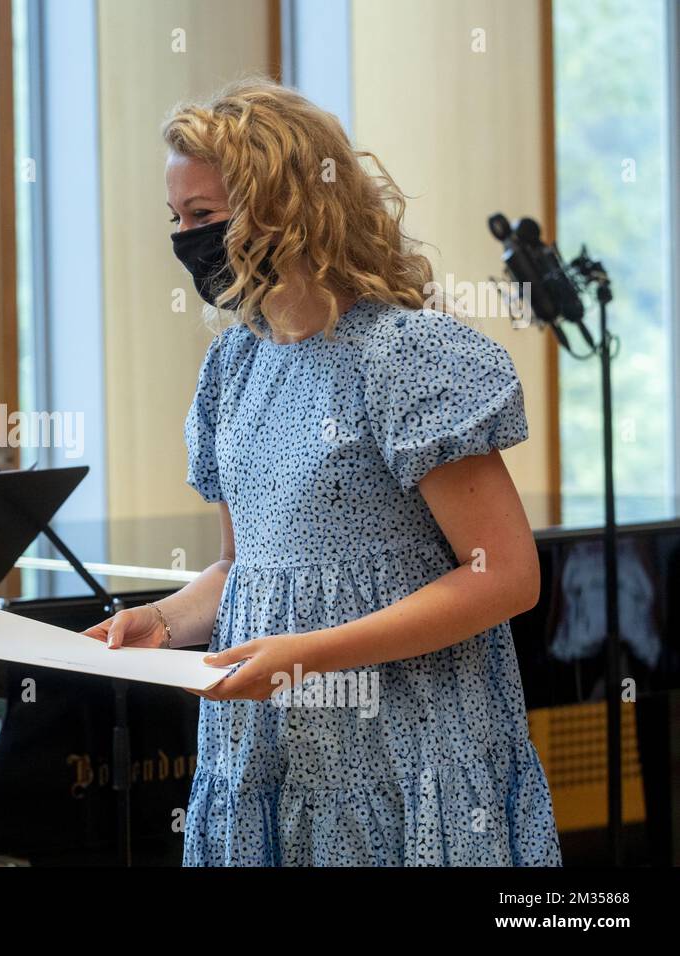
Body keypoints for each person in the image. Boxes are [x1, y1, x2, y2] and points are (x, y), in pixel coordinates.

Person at [85, 77, 562, 866]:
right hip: (270, 755)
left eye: (204, 217)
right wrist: (164, 621)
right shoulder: (233, 365)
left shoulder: (406, 354)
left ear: (286, 206)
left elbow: (505, 576)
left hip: (407, 750)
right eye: (178, 219)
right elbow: (248, 570)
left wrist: (309, 653)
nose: (186, 239)